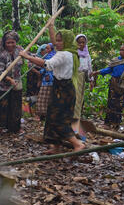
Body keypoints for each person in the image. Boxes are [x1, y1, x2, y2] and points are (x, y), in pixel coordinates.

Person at [20, 25, 85, 153]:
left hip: (63, 89)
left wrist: (27, 56)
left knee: (59, 118)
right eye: (57, 40)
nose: (57, 43)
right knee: (51, 116)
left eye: (60, 40)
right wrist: (51, 26)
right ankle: (56, 146)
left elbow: (47, 65)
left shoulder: (64, 55)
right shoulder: (70, 52)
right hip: (61, 88)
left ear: (66, 41)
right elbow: (54, 44)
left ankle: (77, 144)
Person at [91, 44, 124, 129]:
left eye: (123, 50)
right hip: (114, 83)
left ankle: (116, 123)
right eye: (120, 49)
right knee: (111, 102)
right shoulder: (115, 61)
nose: (121, 52)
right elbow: (108, 69)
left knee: (120, 104)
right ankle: (107, 123)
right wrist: (98, 72)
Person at [0, 31, 24, 135]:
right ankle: (0, 127)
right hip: (3, 85)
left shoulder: (20, 50)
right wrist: (10, 80)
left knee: (16, 106)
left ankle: (15, 127)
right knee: (2, 106)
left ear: (16, 42)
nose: (10, 45)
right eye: (8, 43)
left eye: (12, 42)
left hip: (17, 83)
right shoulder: (2, 55)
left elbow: (29, 56)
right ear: (4, 43)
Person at [72, 34, 94, 134]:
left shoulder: (87, 54)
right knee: (75, 98)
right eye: (79, 42)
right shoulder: (73, 53)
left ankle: (77, 119)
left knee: (80, 99)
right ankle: (74, 120)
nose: (81, 44)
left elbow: (89, 67)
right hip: (75, 76)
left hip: (83, 77)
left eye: (83, 42)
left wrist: (91, 80)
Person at [36, 43, 55, 119]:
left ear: (52, 49)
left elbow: (46, 67)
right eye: (45, 48)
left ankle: (45, 114)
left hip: (50, 80)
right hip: (46, 80)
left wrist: (40, 73)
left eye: (48, 48)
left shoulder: (52, 57)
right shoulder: (45, 57)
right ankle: (42, 115)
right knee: (43, 98)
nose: (46, 50)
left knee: (44, 98)